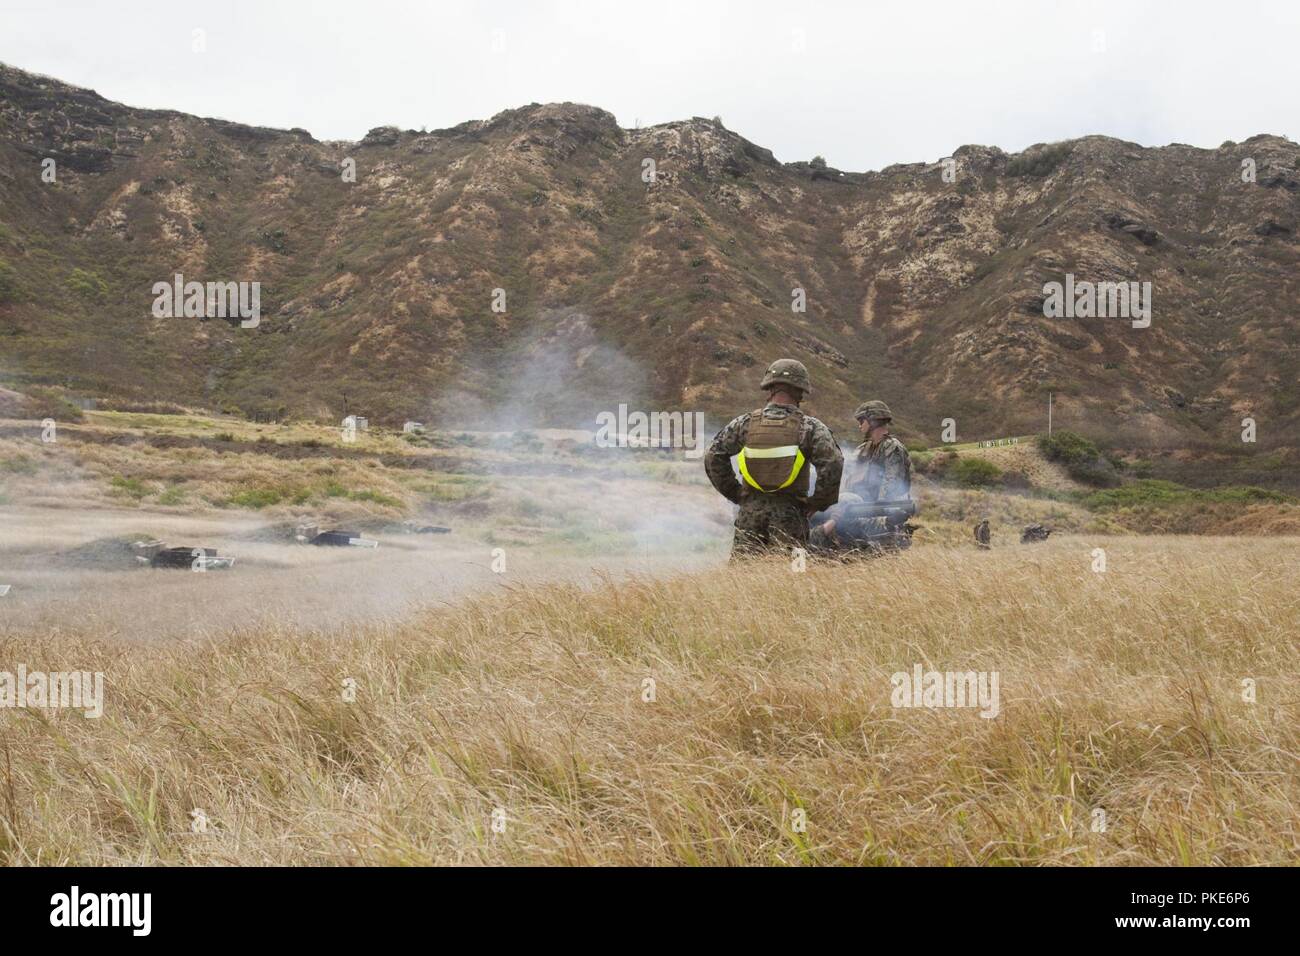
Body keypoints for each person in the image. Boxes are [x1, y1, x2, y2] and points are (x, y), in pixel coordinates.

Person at [704, 359, 843, 558]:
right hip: (792, 515)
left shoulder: (744, 424)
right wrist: (816, 503)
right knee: (796, 573)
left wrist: (736, 494)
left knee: (742, 577)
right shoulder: (809, 427)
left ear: (770, 388)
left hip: (749, 515)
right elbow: (833, 463)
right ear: (800, 392)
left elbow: (713, 456)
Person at [812, 399, 914, 554]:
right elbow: (847, 480)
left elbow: (891, 486)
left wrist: (880, 517)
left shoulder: (892, 447)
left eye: (862, 420)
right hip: (856, 509)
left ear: (873, 421)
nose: (859, 424)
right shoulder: (862, 449)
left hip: (877, 513)